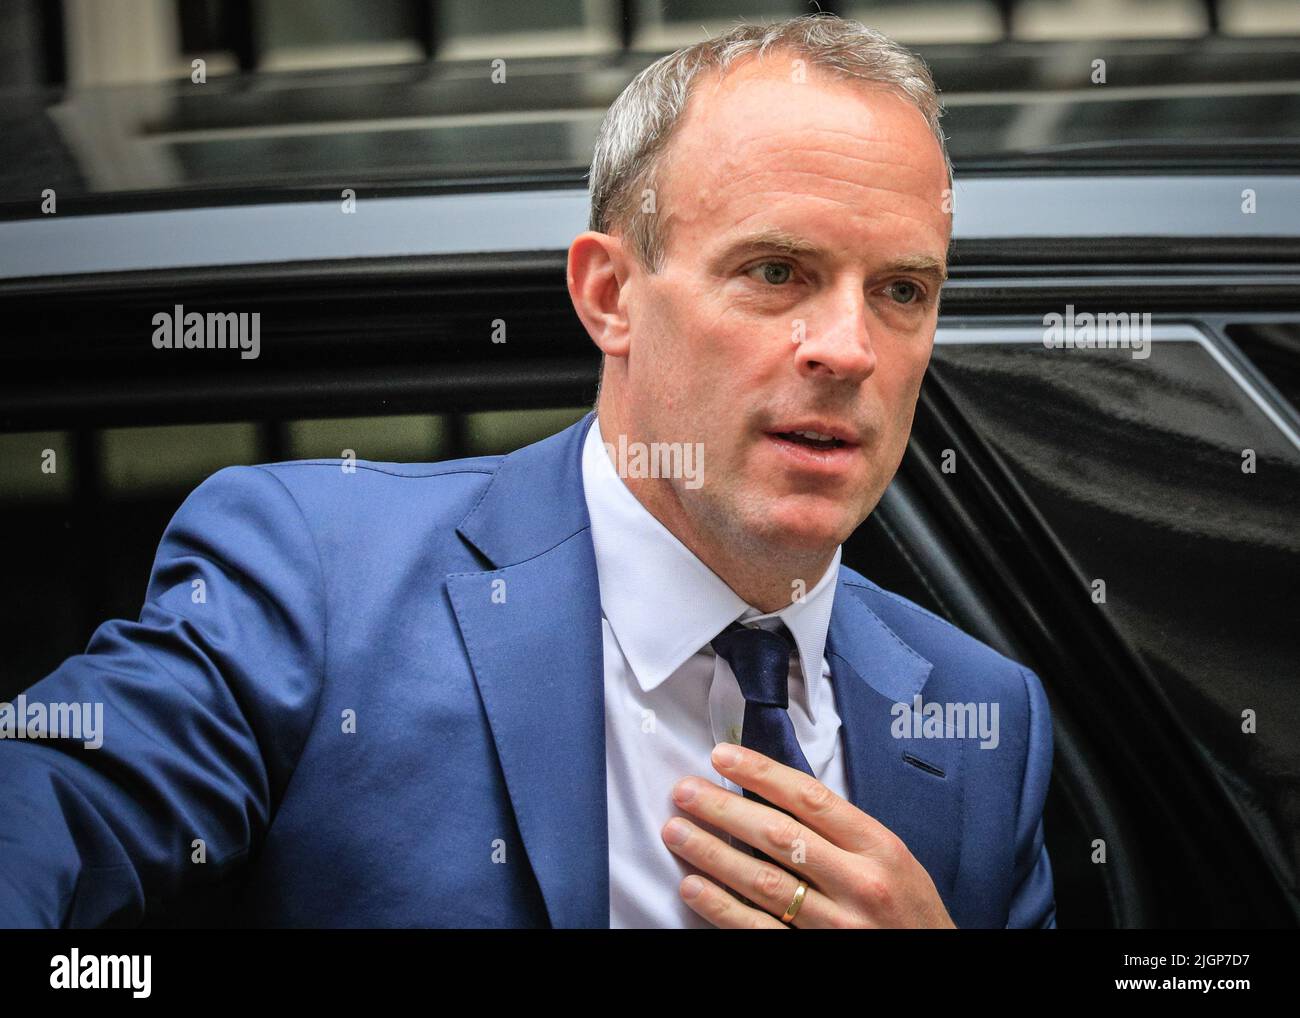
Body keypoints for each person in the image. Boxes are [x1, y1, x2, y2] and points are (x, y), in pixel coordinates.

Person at [0, 14, 1055, 929]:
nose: (849, 347)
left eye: (902, 291)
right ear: (608, 296)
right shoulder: (324, 580)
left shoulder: (981, 717)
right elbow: (45, 806)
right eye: (776, 272)